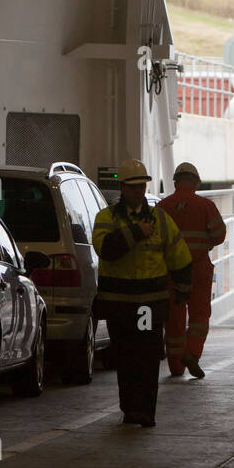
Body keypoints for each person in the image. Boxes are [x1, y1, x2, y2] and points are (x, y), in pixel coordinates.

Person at [92, 158, 193, 427]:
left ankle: (146, 412)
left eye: (141, 185)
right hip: (119, 305)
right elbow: (107, 249)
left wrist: (183, 290)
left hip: (148, 306)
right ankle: (130, 409)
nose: (138, 191)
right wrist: (136, 232)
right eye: (133, 186)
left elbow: (180, 257)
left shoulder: (161, 219)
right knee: (125, 358)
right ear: (122, 188)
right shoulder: (106, 218)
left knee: (147, 358)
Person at [162, 161, 227, 379]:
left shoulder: (163, 207)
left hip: (170, 270)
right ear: (196, 182)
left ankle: (176, 367)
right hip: (199, 268)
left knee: (173, 318)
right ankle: (192, 354)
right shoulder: (205, 206)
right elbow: (219, 234)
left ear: (175, 182)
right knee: (199, 315)